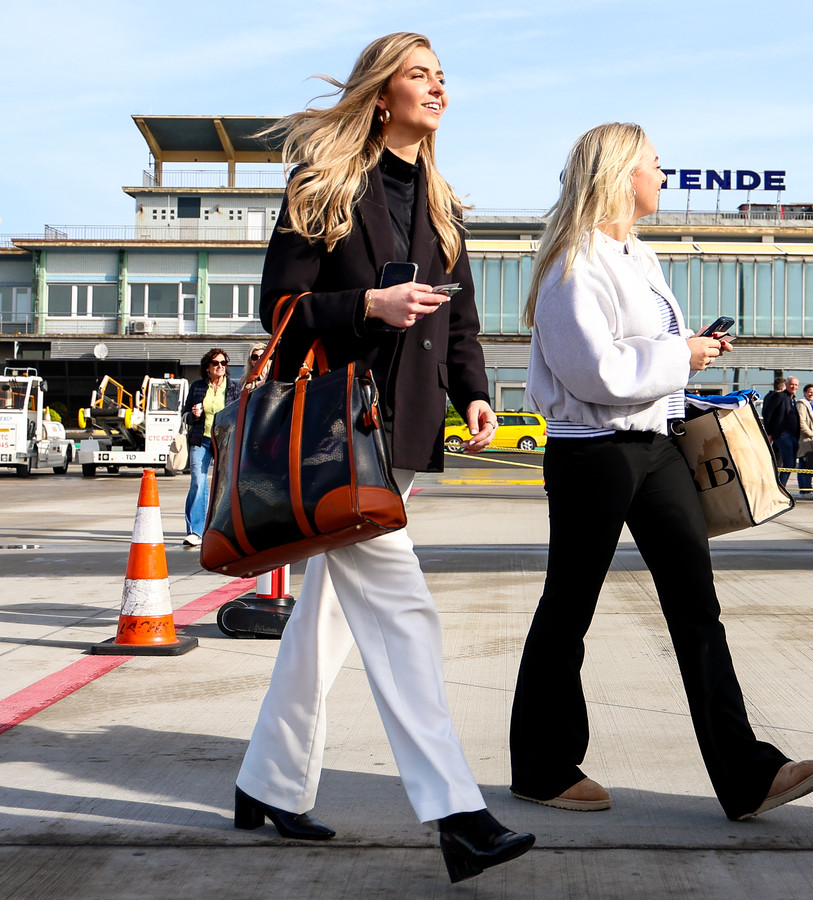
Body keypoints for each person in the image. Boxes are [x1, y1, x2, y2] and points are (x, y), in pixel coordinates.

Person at [233, 33, 533, 885]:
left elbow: (461, 316)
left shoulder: (441, 199)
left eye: (443, 77)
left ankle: (266, 781)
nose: (438, 87)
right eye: (419, 75)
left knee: (325, 622)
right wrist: (366, 301)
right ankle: (456, 812)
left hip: (400, 432)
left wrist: (474, 389)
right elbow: (278, 308)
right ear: (380, 93)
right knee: (403, 611)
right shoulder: (322, 183)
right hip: (336, 434)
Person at [508, 122, 813, 824]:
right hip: (592, 447)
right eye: (657, 165)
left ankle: (747, 773)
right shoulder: (573, 260)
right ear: (624, 174)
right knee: (570, 607)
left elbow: (645, 356)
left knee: (696, 604)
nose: (665, 175)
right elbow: (593, 370)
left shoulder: (638, 255)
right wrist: (681, 354)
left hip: (654, 444)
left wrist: (692, 353)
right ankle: (541, 765)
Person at [181, 349, 240, 546]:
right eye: (216, 363)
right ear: (208, 367)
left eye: (224, 363)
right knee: (198, 481)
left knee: (226, 484)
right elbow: (185, 416)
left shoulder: (234, 388)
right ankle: (196, 530)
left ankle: (225, 528)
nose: (220, 366)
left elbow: (240, 415)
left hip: (224, 440)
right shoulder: (197, 387)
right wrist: (194, 415)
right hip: (201, 440)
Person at [762, 376, 800, 489]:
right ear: (786, 385)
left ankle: (777, 485)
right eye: (792, 384)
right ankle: (780, 488)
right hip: (782, 435)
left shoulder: (792, 399)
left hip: (792, 436)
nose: (794, 387)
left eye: (796, 385)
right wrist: (769, 432)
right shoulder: (779, 396)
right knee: (788, 464)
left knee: (787, 463)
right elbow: (768, 414)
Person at [797, 383, 813, 496]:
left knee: (809, 464)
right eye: (810, 391)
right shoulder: (802, 404)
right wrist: (812, 435)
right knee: (804, 464)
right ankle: (805, 490)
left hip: (810, 440)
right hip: (805, 439)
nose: (812, 394)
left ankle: (807, 488)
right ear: (804, 392)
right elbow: (802, 422)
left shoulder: (810, 404)